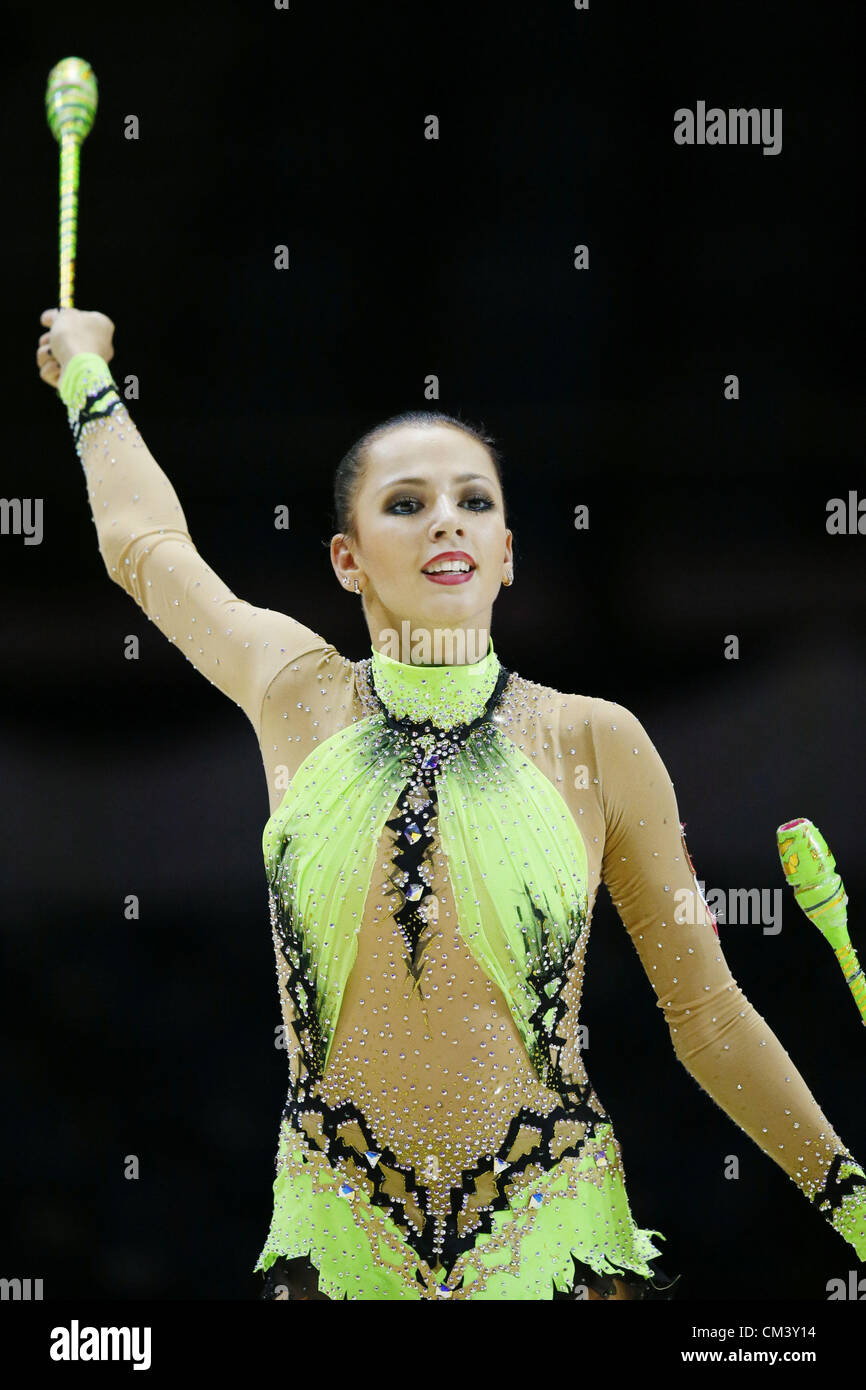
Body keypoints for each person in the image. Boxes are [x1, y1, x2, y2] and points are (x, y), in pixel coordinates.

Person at [36, 307, 866, 1302]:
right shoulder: (296, 691)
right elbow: (142, 544)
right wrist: (88, 380)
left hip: (550, 1240)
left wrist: (849, 1203)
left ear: (506, 551)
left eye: (472, 501)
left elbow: (707, 1014)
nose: (444, 520)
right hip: (340, 1250)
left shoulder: (595, 741)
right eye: (405, 503)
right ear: (347, 560)